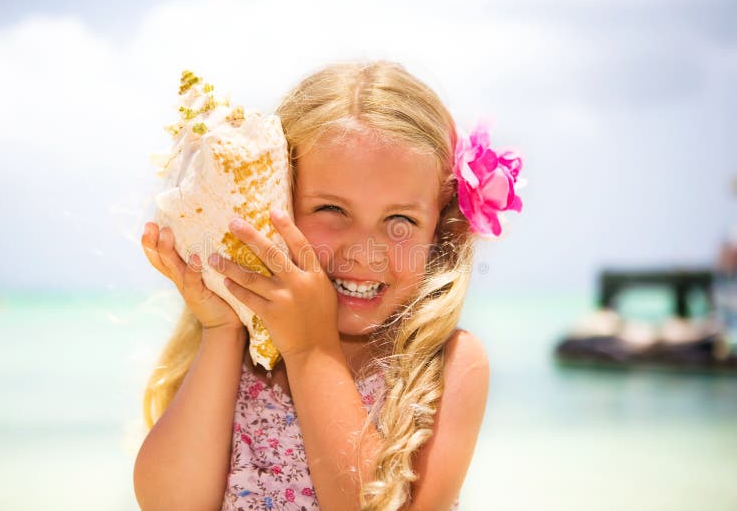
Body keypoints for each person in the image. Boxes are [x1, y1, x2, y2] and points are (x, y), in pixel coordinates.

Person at [134, 60, 524, 510]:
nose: (364, 251)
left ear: (439, 231)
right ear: (276, 198)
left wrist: (310, 351)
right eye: (332, 210)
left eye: (400, 220)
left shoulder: (446, 367)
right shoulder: (239, 349)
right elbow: (168, 503)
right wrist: (223, 330)